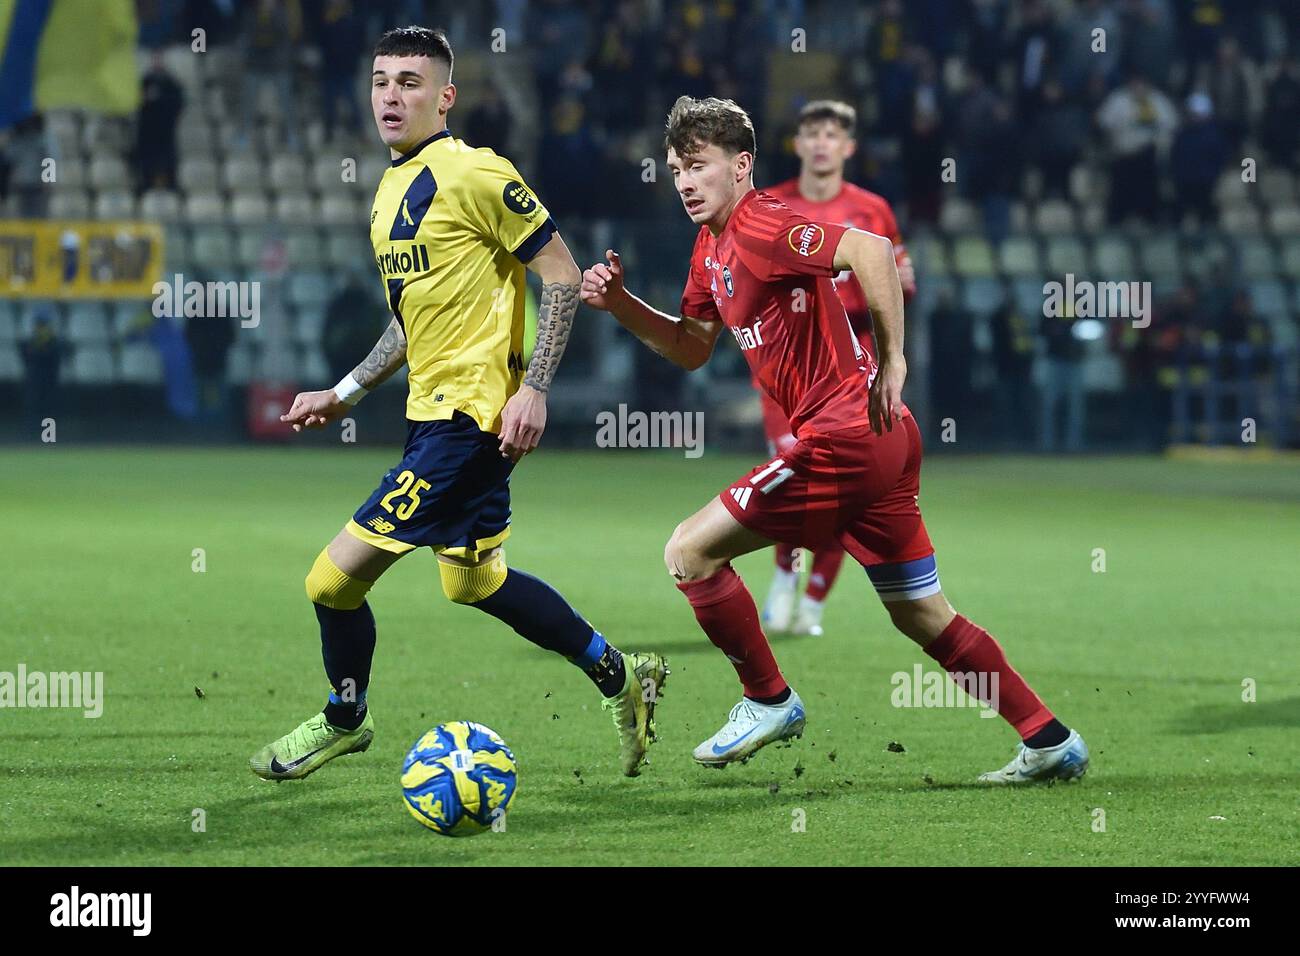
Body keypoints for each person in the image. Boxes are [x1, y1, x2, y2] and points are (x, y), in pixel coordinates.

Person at [580, 96, 1088, 783]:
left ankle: (769, 699)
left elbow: (869, 249)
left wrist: (894, 360)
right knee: (921, 613)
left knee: (689, 552)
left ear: (742, 165)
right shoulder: (710, 248)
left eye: (698, 166)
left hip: (846, 435)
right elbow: (692, 345)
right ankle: (1049, 738)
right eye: (675, 170)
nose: (686, 182)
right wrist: (620, 304)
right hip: (880, 443)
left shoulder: (761, 226)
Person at [250, 27, 667, 784]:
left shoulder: (478, 173)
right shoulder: (386, 194)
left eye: (410, 82)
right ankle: (620, 675)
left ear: (444, 96)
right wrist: (344, 392)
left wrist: (534, 388)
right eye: (380, 80)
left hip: (469, 421)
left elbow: (564, 275)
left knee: (331, 582)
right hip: (431, 413)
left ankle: (346, 719)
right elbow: (411, 320)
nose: (390, 95)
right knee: (473, 580)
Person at [758, 100, 916, 638]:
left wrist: (900, 281)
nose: (822, 143)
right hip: (792, 367)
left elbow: (896, 282)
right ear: (798, 144)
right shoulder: (771, 204)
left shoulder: (874, 211)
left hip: (857, 366)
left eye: (833, 134)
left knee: (851, 489)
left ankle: (815, 600)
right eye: (812, 133)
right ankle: (784, 575)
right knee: (794, 480)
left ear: (848, 148)